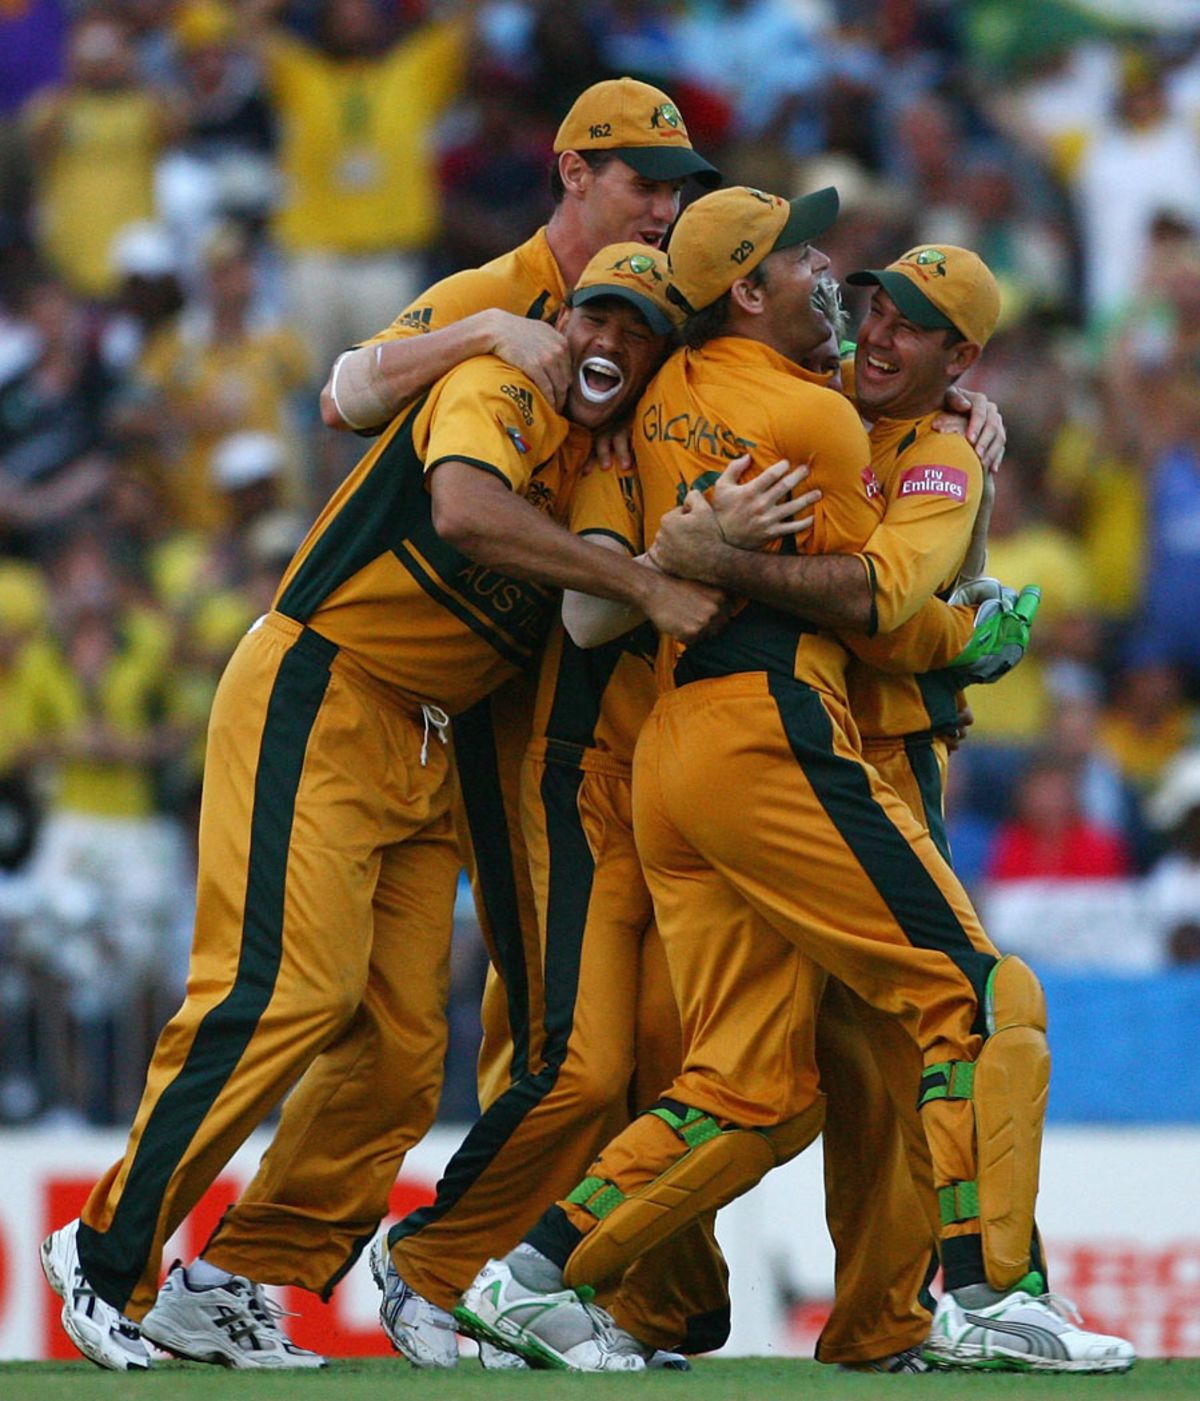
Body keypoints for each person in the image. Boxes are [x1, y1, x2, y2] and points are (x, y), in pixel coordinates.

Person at [455, 186, 1135, 1374]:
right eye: (867, 303)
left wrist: (687, 544)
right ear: (759, 295)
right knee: (978, 1004)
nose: (872, 329)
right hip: (785, 741)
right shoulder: (827, 419)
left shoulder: (911, 446)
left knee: (766, 1083)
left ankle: (535, 1279)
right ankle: (987, 1295)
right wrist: (957, 642)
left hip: (735, 749)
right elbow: (881, 607)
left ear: (959, 358)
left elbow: (858, 588)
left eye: (907, 326)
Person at [39, 243, 724, 1373]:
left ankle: (235, 1280)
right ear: (566, 319)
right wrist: (650, 580)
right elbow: (460, 509)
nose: (608, 343)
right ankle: (106, 1248)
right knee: (280, 988)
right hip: (326, 684)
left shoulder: (604, 461)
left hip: (425, 735)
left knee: (403, 1049)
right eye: (596, 318)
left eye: (638, 333)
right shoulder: (500, 381)